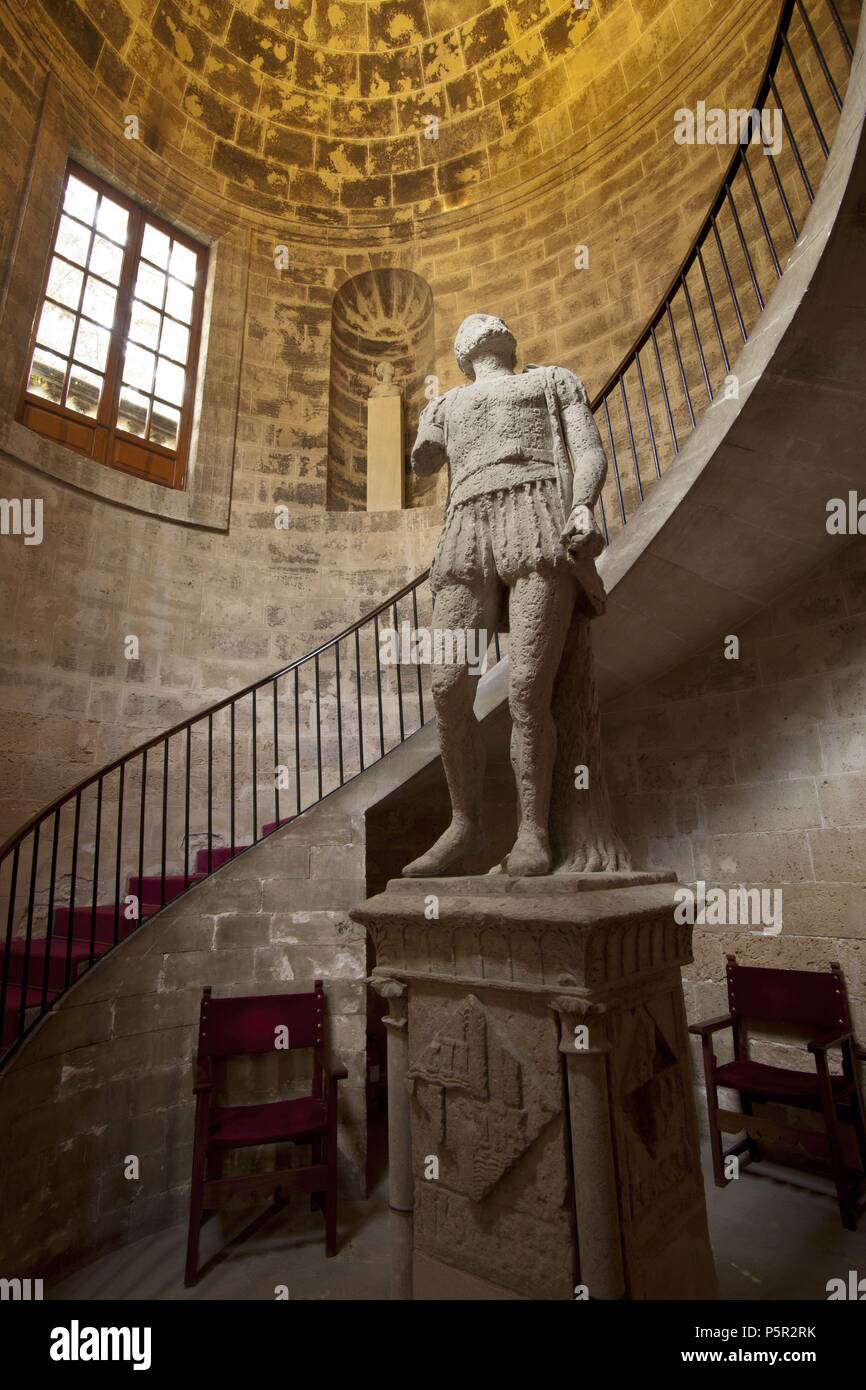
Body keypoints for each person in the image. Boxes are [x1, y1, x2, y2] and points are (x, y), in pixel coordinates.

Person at [403, 313, 608, 877]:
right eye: (474, 323)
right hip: (466, 528)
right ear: (462, 351)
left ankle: (532, 831)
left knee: (525, 689)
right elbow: (422, 462)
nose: (486, 322)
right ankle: (463, 823)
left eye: (495, 320)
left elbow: (587, 448)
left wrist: (585, 503)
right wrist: (424, 423)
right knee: (446, 688)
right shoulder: (447, 404)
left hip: (537, 514)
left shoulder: (552, 380)